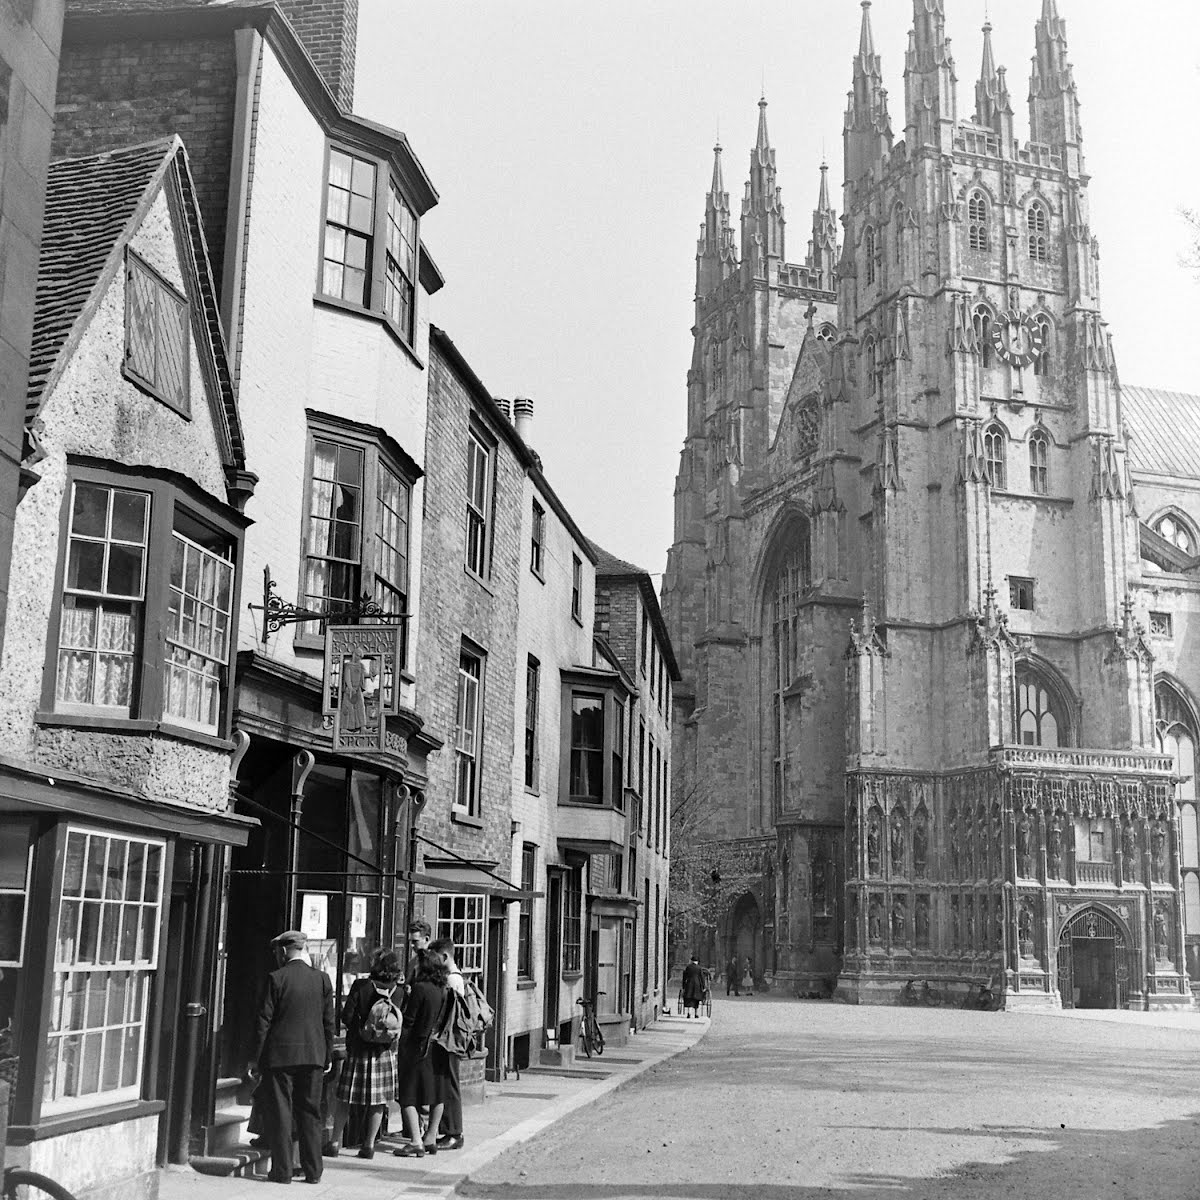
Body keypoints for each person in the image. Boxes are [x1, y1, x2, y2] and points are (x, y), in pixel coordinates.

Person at [250, 930, 334, 1185]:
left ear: (285, 951)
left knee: (281, 1113)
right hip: (314, 1056)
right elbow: (328, 1022)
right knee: (310, 1112)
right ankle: (313, 1171)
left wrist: (256, 1059)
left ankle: (282, 1171)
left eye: (278, 951)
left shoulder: (276, 978)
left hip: (280, 1057)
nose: (277, 955)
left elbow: (263, 1022)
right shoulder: (322, 980)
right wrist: (327, 1054)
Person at [326, 948, 403, 1160]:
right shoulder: (398, 990)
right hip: (384, 1052)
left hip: (359, 1050)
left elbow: (346, 1016)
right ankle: (368, 1145)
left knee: (345, 1098)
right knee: (378, 1101)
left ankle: (333, 1142)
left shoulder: (362, 986)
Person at [393, 950, 450, 1157]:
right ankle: (431, 1137)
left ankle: (416, 1141)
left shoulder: (420, 988)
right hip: (440, 1046)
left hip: (419, 1048)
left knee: (408, 1095)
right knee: (437, 1093)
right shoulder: (444, 989)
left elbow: (410, 1021)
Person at [429, 936, 466, 1150]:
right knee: (445, 1084)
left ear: (444, 956)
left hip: (449, 1039)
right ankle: (447, 1130)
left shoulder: (452, 979)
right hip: (447, 1038)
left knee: (450, 1085)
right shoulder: (453, 978)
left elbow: (447, 1014)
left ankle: (454, 1132)